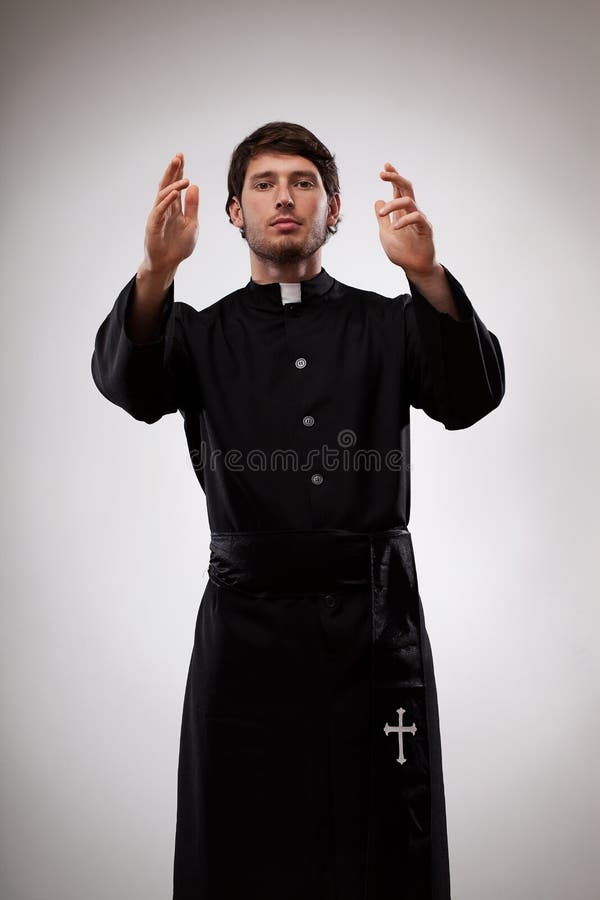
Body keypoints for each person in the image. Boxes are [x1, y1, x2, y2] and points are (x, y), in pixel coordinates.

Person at [91, 121, 505, 900]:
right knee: (241, 842)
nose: (285, 197)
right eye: (264, 183)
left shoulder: (389, 324)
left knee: (387, 838)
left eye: (304, 182)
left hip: (375, 629)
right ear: (235, 215)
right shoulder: (200, 334)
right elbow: (131, 387)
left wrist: (429, 276)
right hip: (246, 635)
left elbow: (471, 396)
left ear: (335, 209)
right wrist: (154, 271)